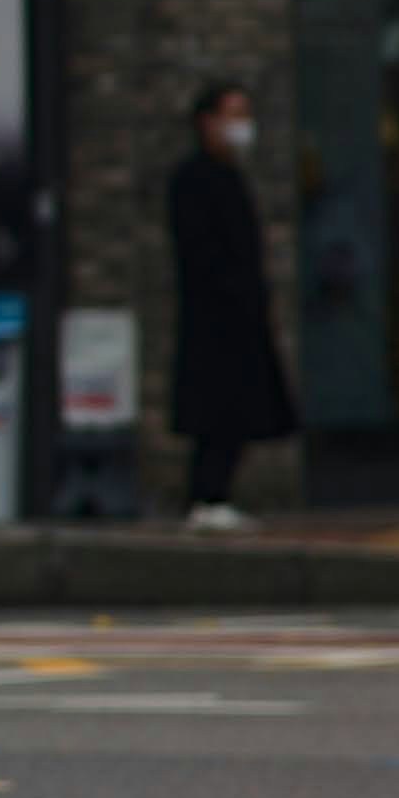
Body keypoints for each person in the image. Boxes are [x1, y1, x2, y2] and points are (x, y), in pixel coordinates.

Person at [167, 79, 297, 528]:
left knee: (237, 408)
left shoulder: (230, 177)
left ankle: (214, 494)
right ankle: (207, 496)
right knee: (219, 408)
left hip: (237, 314)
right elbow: (201, 253)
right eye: (234, 115)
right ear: (208, 122)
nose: (244, 126)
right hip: (215, 318)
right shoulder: (194, 180)